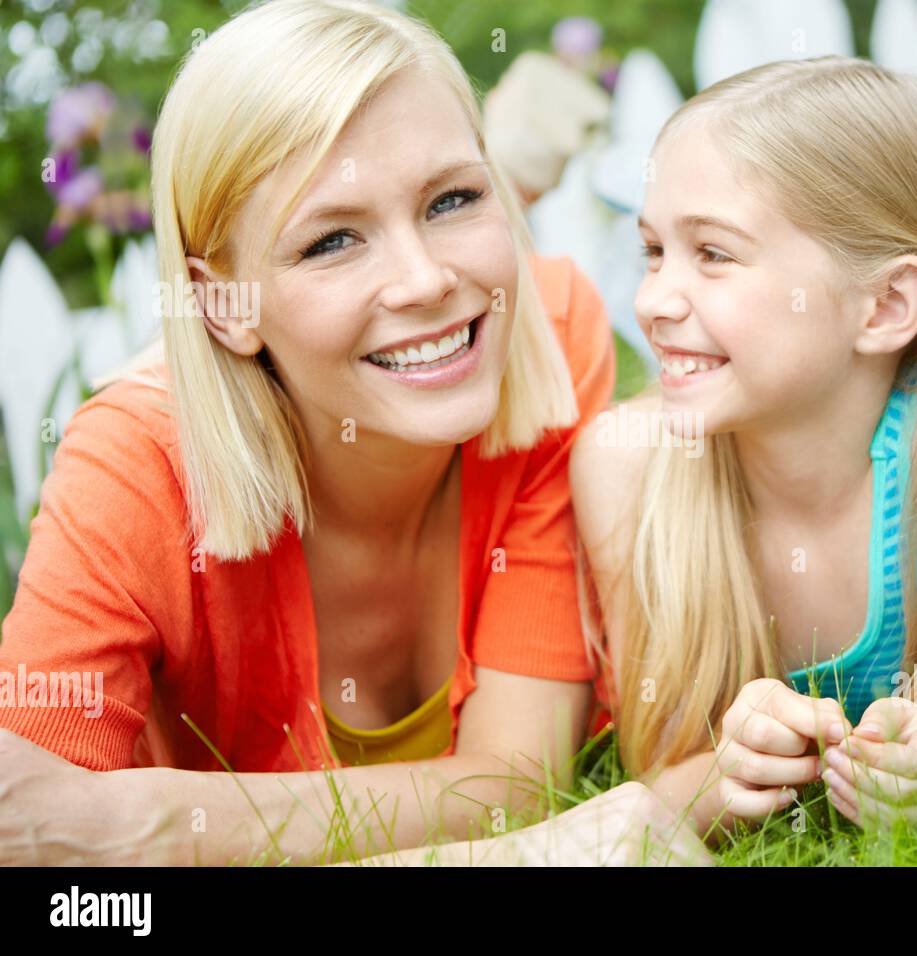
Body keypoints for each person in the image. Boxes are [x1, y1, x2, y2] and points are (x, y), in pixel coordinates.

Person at [0, 0, 707, 867]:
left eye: (453, 199)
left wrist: (150, 823)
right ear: (223, 304)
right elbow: (37, 832)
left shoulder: (549, 333)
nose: (425, 280)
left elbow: (519, 781)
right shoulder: (134, 464)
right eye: (333, 240)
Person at [571, 56, 917, 839]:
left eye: (714, 255)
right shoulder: (627, 465)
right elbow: (656, 767)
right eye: (654, 251)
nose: (651, 300)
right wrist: (726, 773)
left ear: (887, 305)